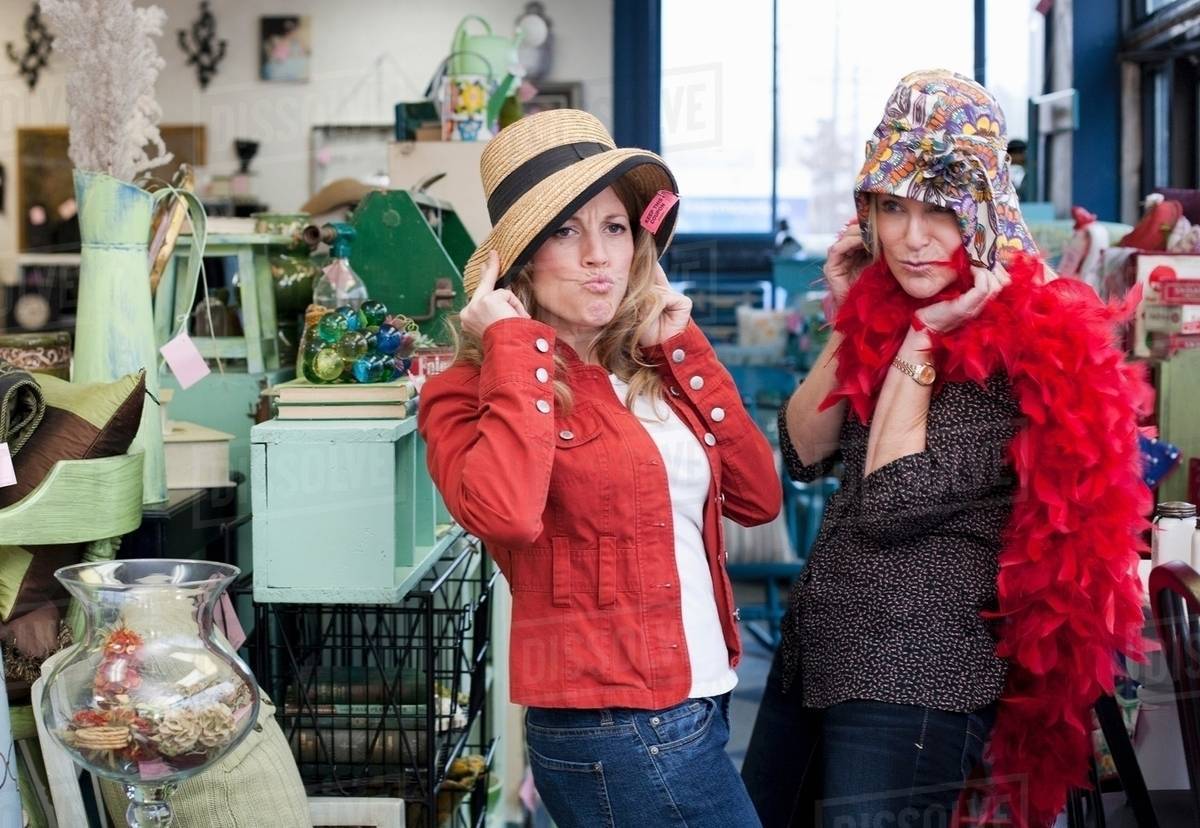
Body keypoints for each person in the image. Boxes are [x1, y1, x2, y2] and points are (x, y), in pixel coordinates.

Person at [742, 70, 1151, 828]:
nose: (911, 236)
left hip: (918, 674)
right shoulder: (900, 300)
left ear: (983, 211)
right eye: (892, 207)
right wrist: (850, 311)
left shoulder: (1018, 340)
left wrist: (921, 343)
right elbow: (803, 450)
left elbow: (888, 503)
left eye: (940, 209)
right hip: (820, 653)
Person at [418, 109, 781, 828]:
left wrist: (682, 346)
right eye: (565, 231)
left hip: (697, 704)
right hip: (617, 726)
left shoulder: (649, 368)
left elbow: (757, 497)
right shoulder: (466, 390)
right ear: (517, 264)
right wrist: (514, 344)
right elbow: (508, 513)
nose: (599, 256)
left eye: (615, 228)